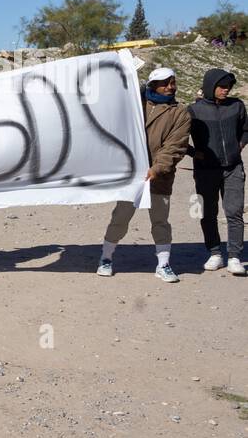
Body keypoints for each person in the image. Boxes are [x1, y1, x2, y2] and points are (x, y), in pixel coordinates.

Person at [97, 67, 190, 282]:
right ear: (152, 85)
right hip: (132, 176)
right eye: (165, 83)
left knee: (160, 221)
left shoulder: (180, 113)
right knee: (120, 218)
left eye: (172, 82)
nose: (170, 87)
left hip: (160, 177)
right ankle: (106, 258)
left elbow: (175, 146)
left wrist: (156, 169)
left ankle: (163, 264)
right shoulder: (135, 106)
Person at [188, 68, 246, 275]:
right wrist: (194, 153)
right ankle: (214, 253)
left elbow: (246, 129)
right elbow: (176, 136)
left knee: (234, 212)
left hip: (233, 168)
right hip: (205, 171)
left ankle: (234, 256)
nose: (226, 90)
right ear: (210, 87)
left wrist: (240, 145)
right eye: (222, 86)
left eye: (228, 86)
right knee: (207, 213)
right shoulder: (194, 110)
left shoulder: (237, 106)